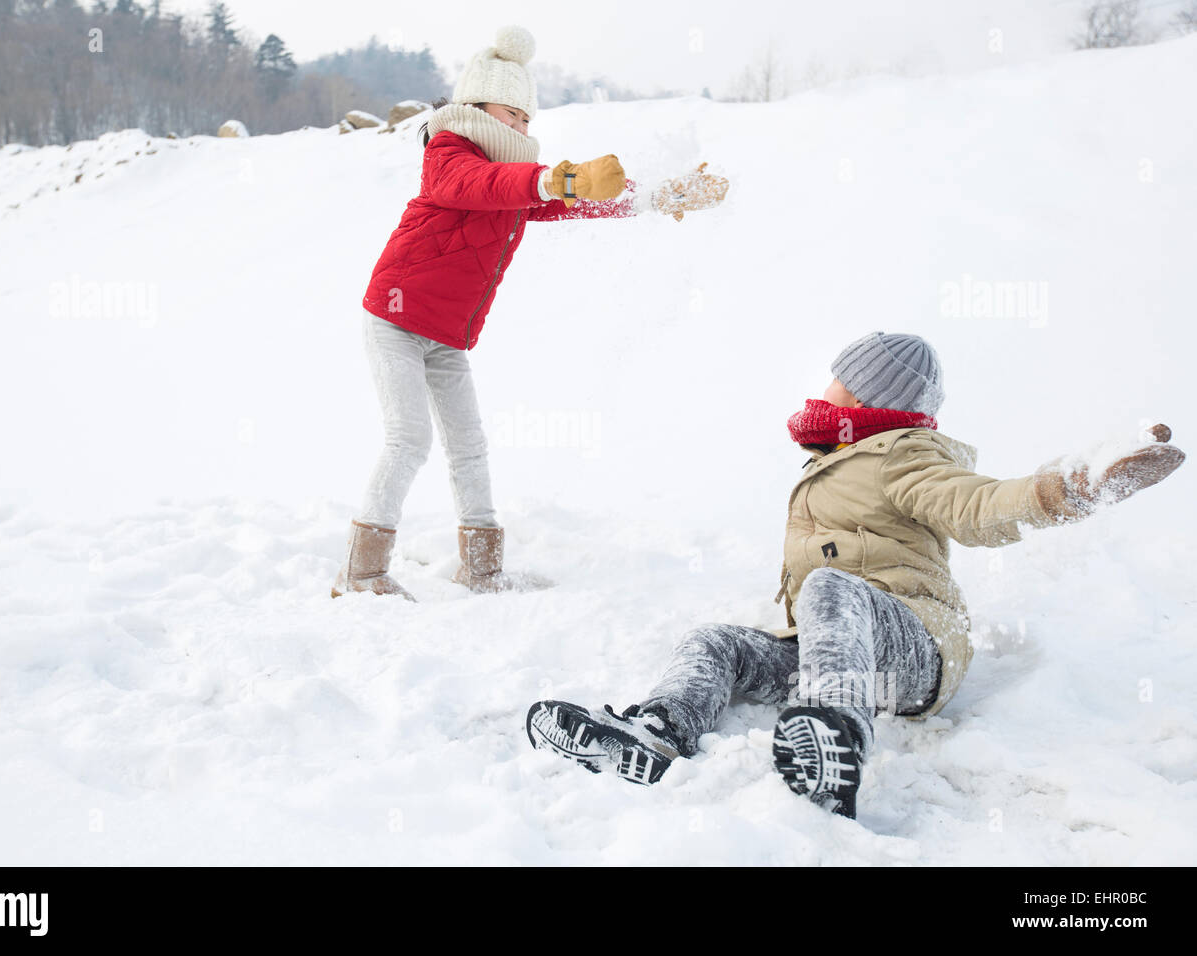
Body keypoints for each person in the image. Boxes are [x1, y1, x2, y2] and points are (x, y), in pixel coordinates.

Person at [525, 331, 1185, 818]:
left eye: (838, 379)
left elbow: (977, 506)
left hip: (913, 648)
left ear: (868, 393)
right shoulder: (842, 457)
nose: (824, 387)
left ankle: (833, 740)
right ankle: (659, 733)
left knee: (832, 589)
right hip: (839, 648)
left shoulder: (904, 455)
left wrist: (1067, 489)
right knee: (716, 642)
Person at [333, 25, 728, 600]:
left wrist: (654, 196)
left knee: (469, 445)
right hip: (395, 320)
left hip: (445, 335)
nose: (520, 126)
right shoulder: (449, 153)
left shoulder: (517, 181)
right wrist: (556, 177)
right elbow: (485, 184)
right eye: (509, 113)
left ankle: (483, 569)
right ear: (474, 105)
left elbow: (561, 202)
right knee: (408, 440)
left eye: (526, 118)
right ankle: (360, 574)